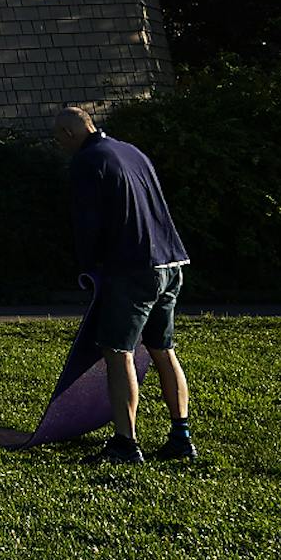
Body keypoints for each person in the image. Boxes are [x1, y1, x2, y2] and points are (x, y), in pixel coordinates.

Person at [56, 105, 194, 464]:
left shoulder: (88, 162)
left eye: (59, 140)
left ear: (71, 134)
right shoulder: (130, 151)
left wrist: (89, 267)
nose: (60, 147)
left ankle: (125, 444)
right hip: (171, 259)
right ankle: (181, 437)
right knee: (163, 350)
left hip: (132, 267)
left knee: (118, 352)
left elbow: (87, 223)